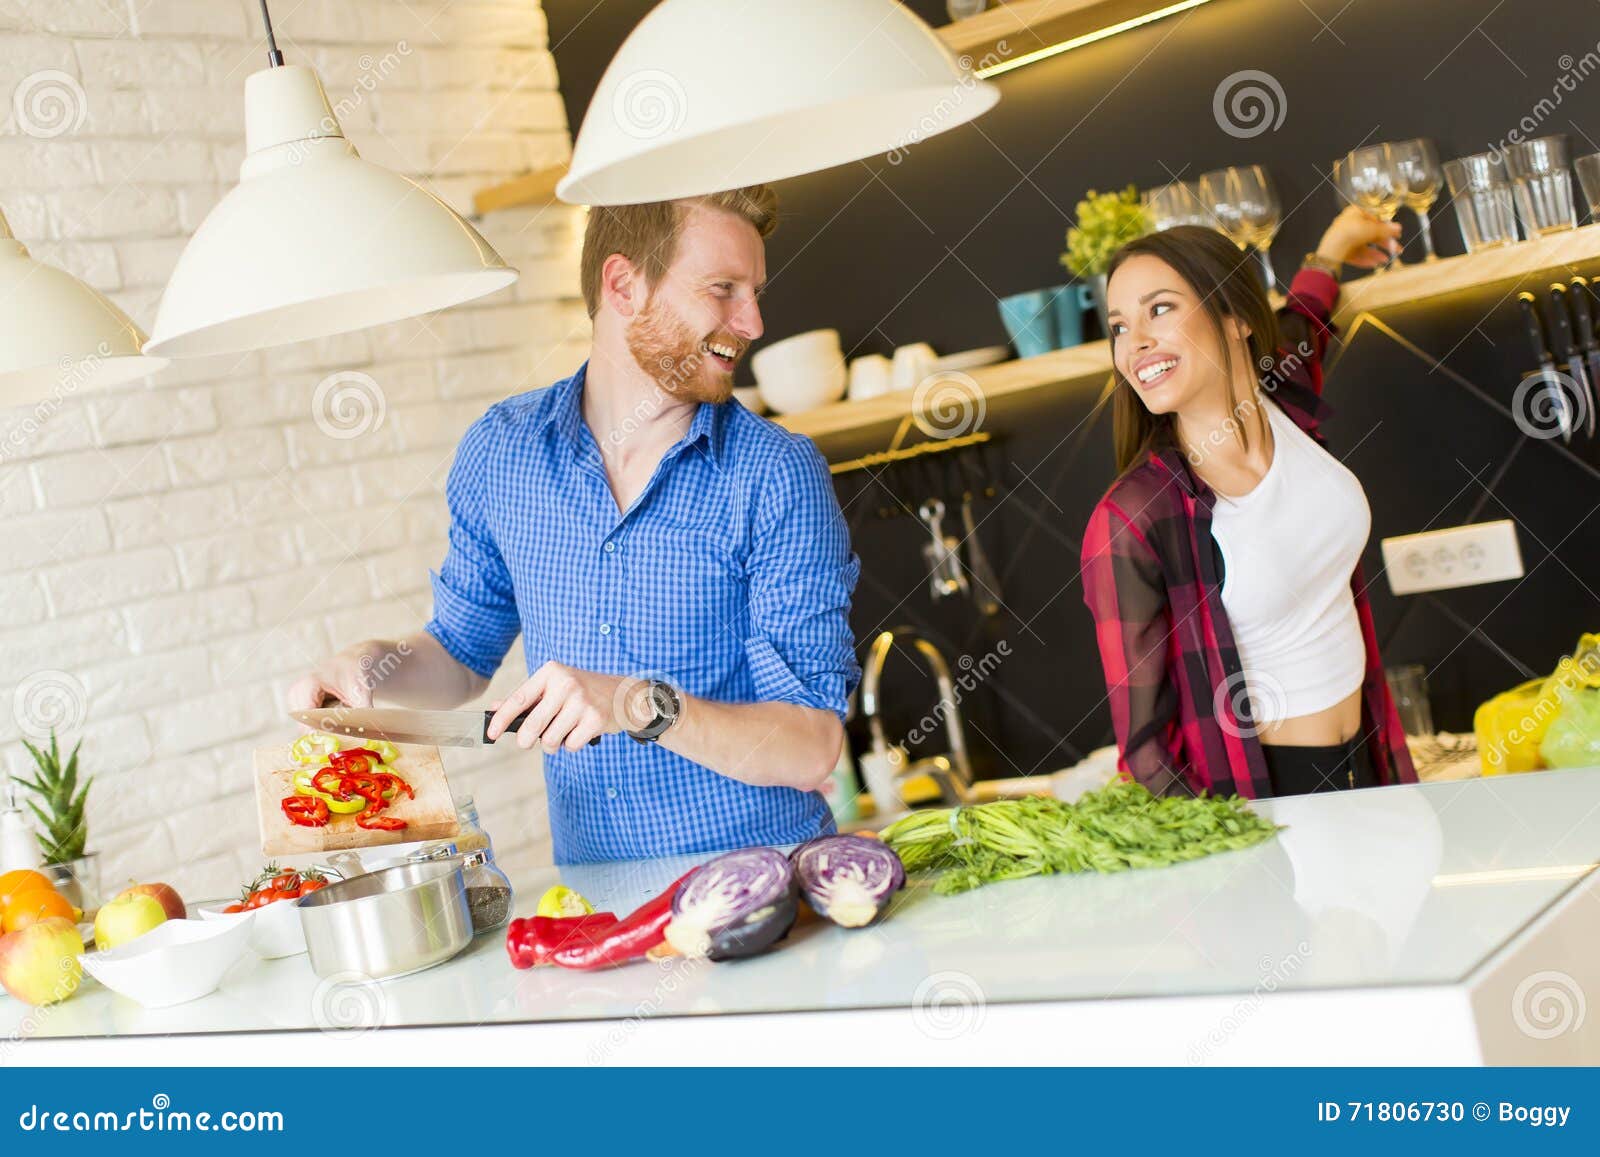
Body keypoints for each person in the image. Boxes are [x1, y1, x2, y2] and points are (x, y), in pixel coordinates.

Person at [288, 185, 861, 863]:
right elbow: (459, 655)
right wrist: (372, 669)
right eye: (723, 288)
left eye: (754, 290)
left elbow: (812, 743)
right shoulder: (503, 452)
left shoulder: (775, 475)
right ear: (623, 285)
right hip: (599, 910)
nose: (754, 321)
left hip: (768, 896)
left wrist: (635, 702)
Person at [1079, 206, 1418, 798]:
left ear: (1235, 318)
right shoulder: (1135, 517)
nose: (1137, 343)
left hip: (1371, 760)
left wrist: (1331, 250)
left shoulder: (1280, 399)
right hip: (1273, 795)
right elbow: (1147, 753)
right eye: (1118, 326)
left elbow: (1303, 317)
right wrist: (1230, 866)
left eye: (1160, 309)